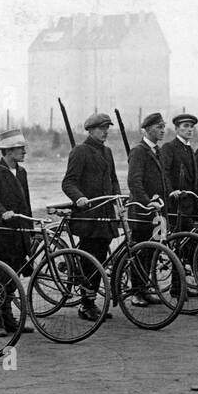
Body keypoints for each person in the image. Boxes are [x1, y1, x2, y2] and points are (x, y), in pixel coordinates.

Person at [61, 112, 120, 320]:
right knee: (90, 260)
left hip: (105, 215)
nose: (105, 132)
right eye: (101, 129)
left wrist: (117, 199)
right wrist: (79, 198)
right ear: (90, 130)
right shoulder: (80, 151)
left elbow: (112, 179)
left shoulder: (107, 152)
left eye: (107, 128)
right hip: (88, 216)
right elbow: (68, 182)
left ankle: (91, 301)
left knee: (100, 258)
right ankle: (86, 305)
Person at [0, 129, 33, 336]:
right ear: (9, 151)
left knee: (13, 279)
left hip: (17, 233)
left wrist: (30, 230)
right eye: (21, 149)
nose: (24, 152)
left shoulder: (21, 172)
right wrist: (3, 213)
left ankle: (9, 318)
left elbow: (26, 203)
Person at [126, 112, 170, 306]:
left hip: (156, 211)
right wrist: (146, 203)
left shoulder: (156, 151)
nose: (162, 130)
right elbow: (134, 182)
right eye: (159, 127)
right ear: (148, 129)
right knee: (139, 251)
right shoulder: (139, 151)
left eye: (163, 126)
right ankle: (136, 292)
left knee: (151, 251)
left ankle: (145, 288)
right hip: (142, 212)